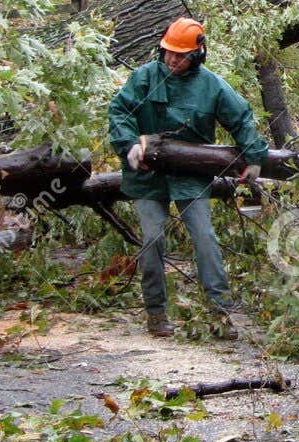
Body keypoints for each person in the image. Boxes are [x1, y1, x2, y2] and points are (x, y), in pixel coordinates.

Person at [108, 18, 266, 339]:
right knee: (153, 239)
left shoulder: (212, 86)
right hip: (149, 176)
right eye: (168, 53)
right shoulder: (144, 78)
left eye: (180, 56)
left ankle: (220, 313)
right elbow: (119, 112)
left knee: (205, 238)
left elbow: (242, 118)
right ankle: (156, 312)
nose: (172, 60)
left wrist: (255, 157)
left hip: (192, 172)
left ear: (197, 55)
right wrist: (129, 146)